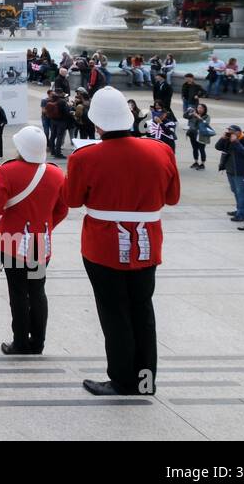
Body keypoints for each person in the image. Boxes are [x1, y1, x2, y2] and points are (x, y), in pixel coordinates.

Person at [61, 87, 179, 396]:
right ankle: (144, 380)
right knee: (143, 310)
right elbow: (173, 197)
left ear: (97, 123)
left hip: (103, 244)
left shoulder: (84, 156)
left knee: (114, 312)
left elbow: (72, 200)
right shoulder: (160, 150)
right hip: (147, 243)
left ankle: (122, 379)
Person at [0, 126, 68, 355]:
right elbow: (61, 210)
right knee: (37, 291)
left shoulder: (6, 171)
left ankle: (20, 341)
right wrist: (46, 226)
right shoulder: (57, 173)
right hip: (40, 241)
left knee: (18, 292)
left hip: (12, 241)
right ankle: (37, 342)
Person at [216, 125, 244, 223]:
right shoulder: (229, 139)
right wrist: (223, 138)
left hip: (241, 171)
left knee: (241, 193)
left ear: (238, 132)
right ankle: (239, 209)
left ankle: (242, 214)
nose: (230, 133)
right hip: (230, 170)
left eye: (232, 132)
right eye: (228, 131)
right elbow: (218, 147)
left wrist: (236, 142)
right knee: (235, 191)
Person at [183, 101, 213, 171]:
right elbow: (185, 116)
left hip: (201, 135)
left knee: (201, 149)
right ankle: (196, 162)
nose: (199, 109)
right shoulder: (193, 114)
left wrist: (198, 117)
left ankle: (202, 164)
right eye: (198, 107)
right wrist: (188, 111)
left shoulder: (207, 116)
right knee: (195, 148)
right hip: (192, 134)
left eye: (201, 108)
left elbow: (205, 123)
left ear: (204, 109)